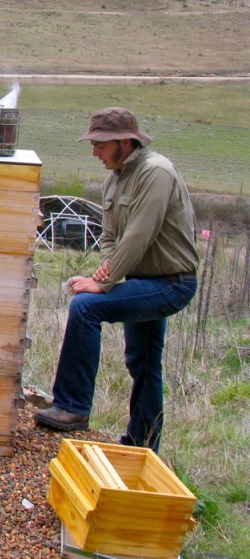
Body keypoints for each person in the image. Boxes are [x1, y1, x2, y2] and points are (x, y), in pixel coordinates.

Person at [34, 108, 199, 451]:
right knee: (144, 362)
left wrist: (104, 284)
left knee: (86, 307)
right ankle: (143, 445)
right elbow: (110, 237)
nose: (95, 152)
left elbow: (139, 235)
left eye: (100, 144)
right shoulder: (115, 178)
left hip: (171, 283)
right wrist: (106, 270)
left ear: (125, 142)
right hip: (143, 279)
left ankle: (72, 406)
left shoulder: (156, 173)